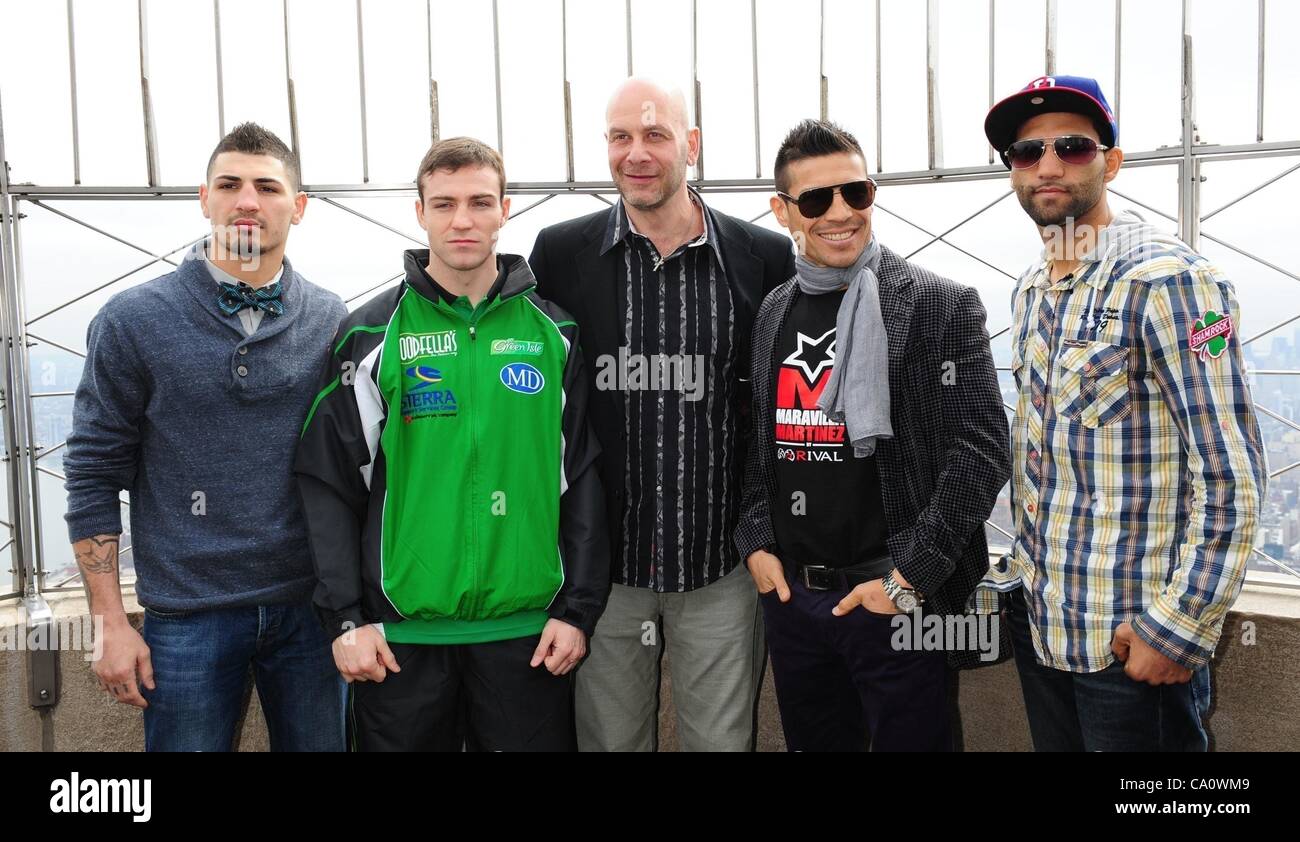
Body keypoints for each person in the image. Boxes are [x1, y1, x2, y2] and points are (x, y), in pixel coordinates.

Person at [981, 75, 1267, 751]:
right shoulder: (1031, 289)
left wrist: (1180, 625)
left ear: (1111, 160)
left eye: (1072, 146)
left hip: (1129, 643)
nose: (1047, 165)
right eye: (1026, 152)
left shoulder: (1174, 280)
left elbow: (1232, 472)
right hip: (1046, 627)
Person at [295, 137, 608, 751]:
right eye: (444, 204)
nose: (462, 220)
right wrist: (347, 619)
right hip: (401, 642)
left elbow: (583, 479)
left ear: (505, 208)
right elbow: (327, 481)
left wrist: (576, 612)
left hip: (529, 639)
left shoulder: (557, 333)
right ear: (420, 212)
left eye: (479, 202)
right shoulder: (369, 333)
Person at [528, 77, 796, 751]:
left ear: (692, 145)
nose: (636, 154)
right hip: (604, 571)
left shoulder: (761, 256)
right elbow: (540, 407)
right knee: (610, 744)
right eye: (620, 137)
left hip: (720, 567)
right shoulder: (559, 254)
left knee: (722, 744)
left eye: (655, 135)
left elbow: (773, 408)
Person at [64, 122, 348, 751]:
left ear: (297, 208)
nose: (247, 200)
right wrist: (109, 620)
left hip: (312, 611)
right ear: (205, 198)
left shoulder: (330, 318)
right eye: (230, 184)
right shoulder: (133, 321)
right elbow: (91, 472)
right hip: (187, 617)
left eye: (267, 187)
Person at [736, 119, 1011, 751]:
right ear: (783, 212)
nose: (839, 213)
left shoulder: (942, 304)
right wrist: (756, 542)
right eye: (815, 200)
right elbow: (761, 442)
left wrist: (908, 578)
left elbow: (982, 450)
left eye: (855, 193)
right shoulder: (775, 311)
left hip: (896, 597)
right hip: (796, 600)